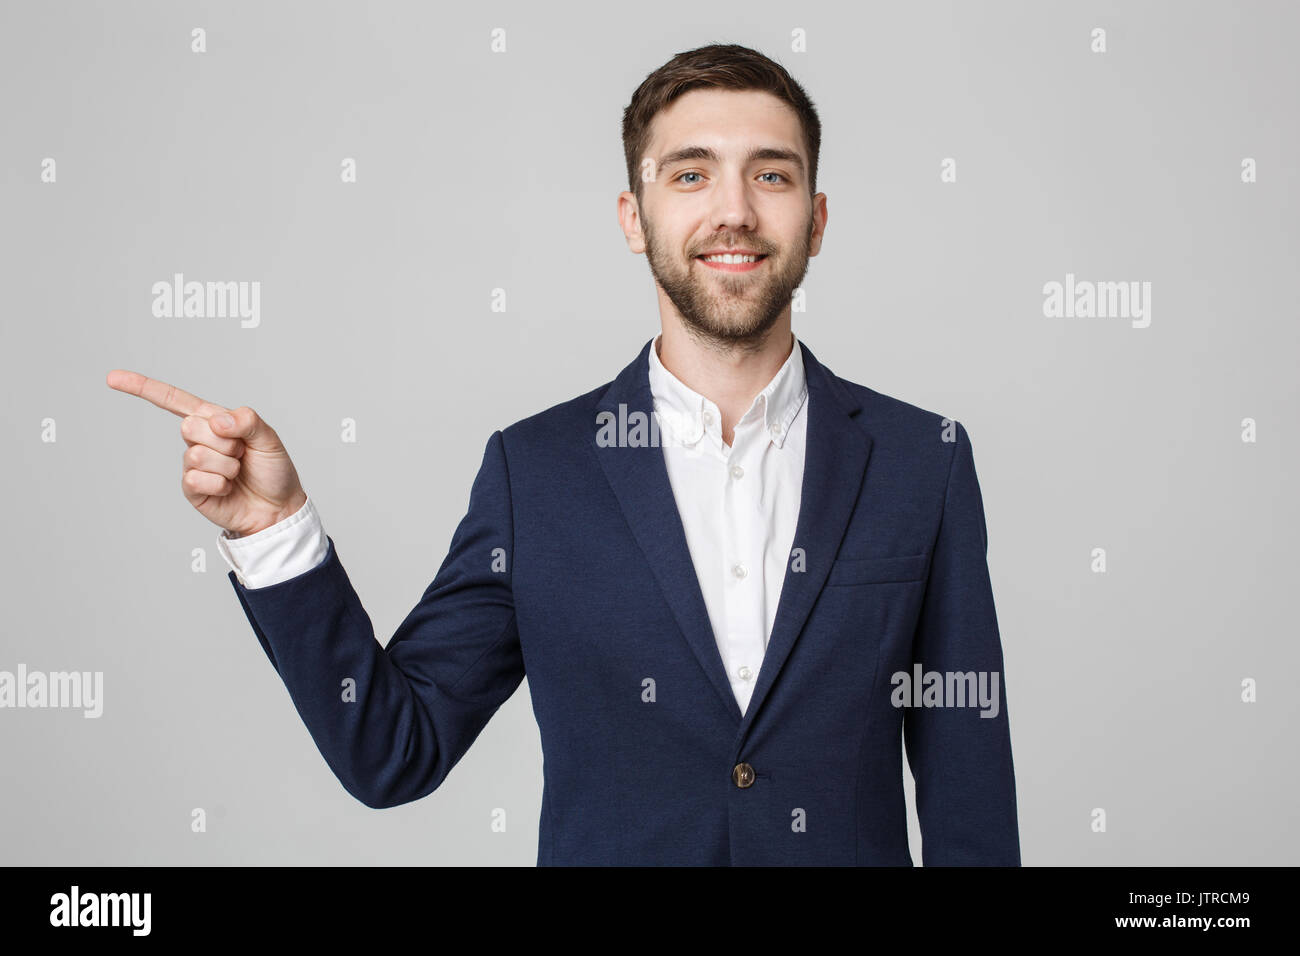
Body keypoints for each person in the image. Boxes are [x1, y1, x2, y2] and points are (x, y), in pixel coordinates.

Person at [107, 43, 1019, 866]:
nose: (734, 211)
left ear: (816, 219)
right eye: (692, 174)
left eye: (771, 176)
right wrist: (277, 534)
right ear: (635, 215)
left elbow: (969, 800)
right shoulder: (534, 474)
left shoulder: (920, 463)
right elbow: (395, 749)